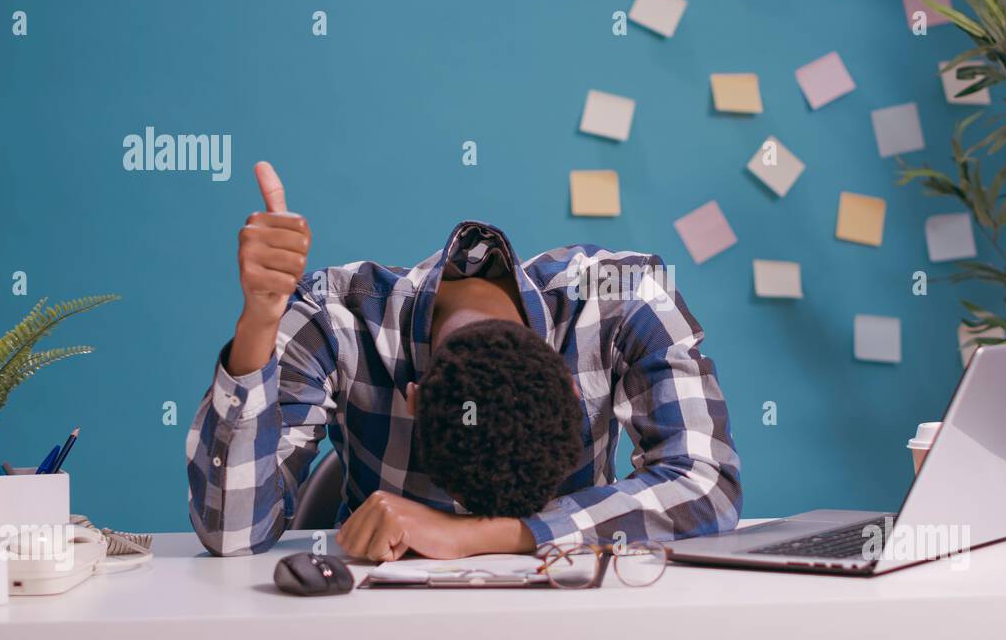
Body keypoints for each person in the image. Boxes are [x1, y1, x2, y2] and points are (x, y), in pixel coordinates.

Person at [186, 162, 742, 560]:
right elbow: (232, 534)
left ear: (571, 388)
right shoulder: (334, 317)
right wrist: (258, 321)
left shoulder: (626, 296)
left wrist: (475, 536)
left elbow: (707, 485)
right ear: (415, 397)